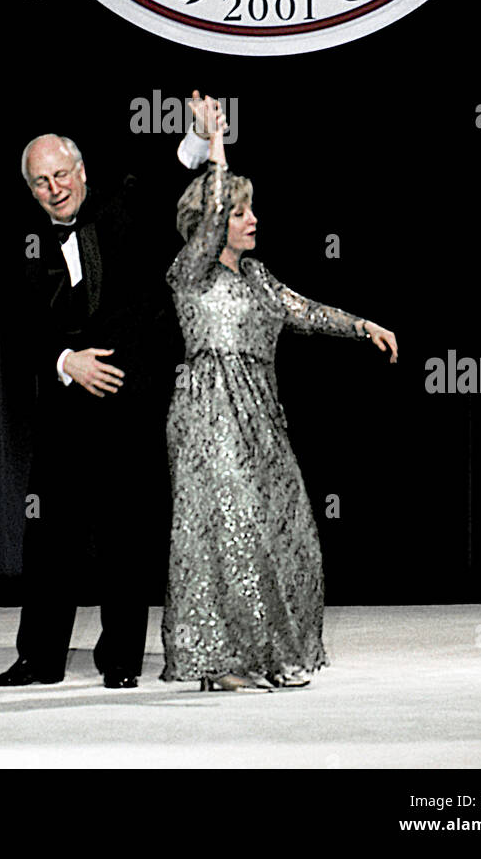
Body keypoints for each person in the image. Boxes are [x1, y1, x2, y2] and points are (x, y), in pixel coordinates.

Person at [162, 107, 397, 692]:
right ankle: (220, 664)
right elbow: (214, 212)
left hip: (262, 416)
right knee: (230, 534)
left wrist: (362, 324)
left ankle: (269, 651)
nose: (251, 219)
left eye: (248, 211)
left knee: (285, 530)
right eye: (241, 212)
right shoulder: (188, 272)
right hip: (208, 418)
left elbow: (305, 312)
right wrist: (215, 143)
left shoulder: (258, 278)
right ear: (209, 221)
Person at [0, 106, 216, 690]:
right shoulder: (22, 241)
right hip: (64, 409)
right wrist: (66, 362)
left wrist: (197, 136)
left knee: (125, 536)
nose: (54, 188)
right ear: (30, 189)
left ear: (82, 172)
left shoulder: (123, 210)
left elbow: (168, 179)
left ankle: (120, 660)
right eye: (41, 181)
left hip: (128, 406)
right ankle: (39, 659)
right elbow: (14, 328)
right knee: (50, 540)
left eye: (61, 175)